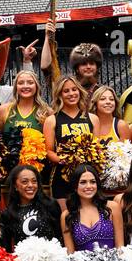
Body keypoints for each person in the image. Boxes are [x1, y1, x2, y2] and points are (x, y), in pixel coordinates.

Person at [61, 164, 125, 261]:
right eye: (83, 182)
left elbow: (120, 245)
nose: (88, 186)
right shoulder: (67, 216)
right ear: (75, 186)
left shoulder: (112, 207)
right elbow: (70, 254)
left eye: (92, 181)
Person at [0, 163, 63, 261]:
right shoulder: (8, 214)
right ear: (15, 186)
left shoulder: (51, 205)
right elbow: (6, 249)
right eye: (24, 181)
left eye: (34, 181)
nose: (30, 185)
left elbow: (60, 238)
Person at [44, 76, 94, 209]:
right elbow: (48, 151)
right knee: (65, 220)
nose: (71, 94)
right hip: (61, 178)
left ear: (80, 91)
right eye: (66, 91)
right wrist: (67, 160)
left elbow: (97, 149)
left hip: (87, 177)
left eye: (74, 89)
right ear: (60, 94)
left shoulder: (92, 118)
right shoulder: (52, 120)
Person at [0, 68, 51, 139]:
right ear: (16, 87)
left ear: (36, 86)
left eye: (30, 83)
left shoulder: (46, 112)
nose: (25, 86)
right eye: (21, 83)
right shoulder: (4, 109)